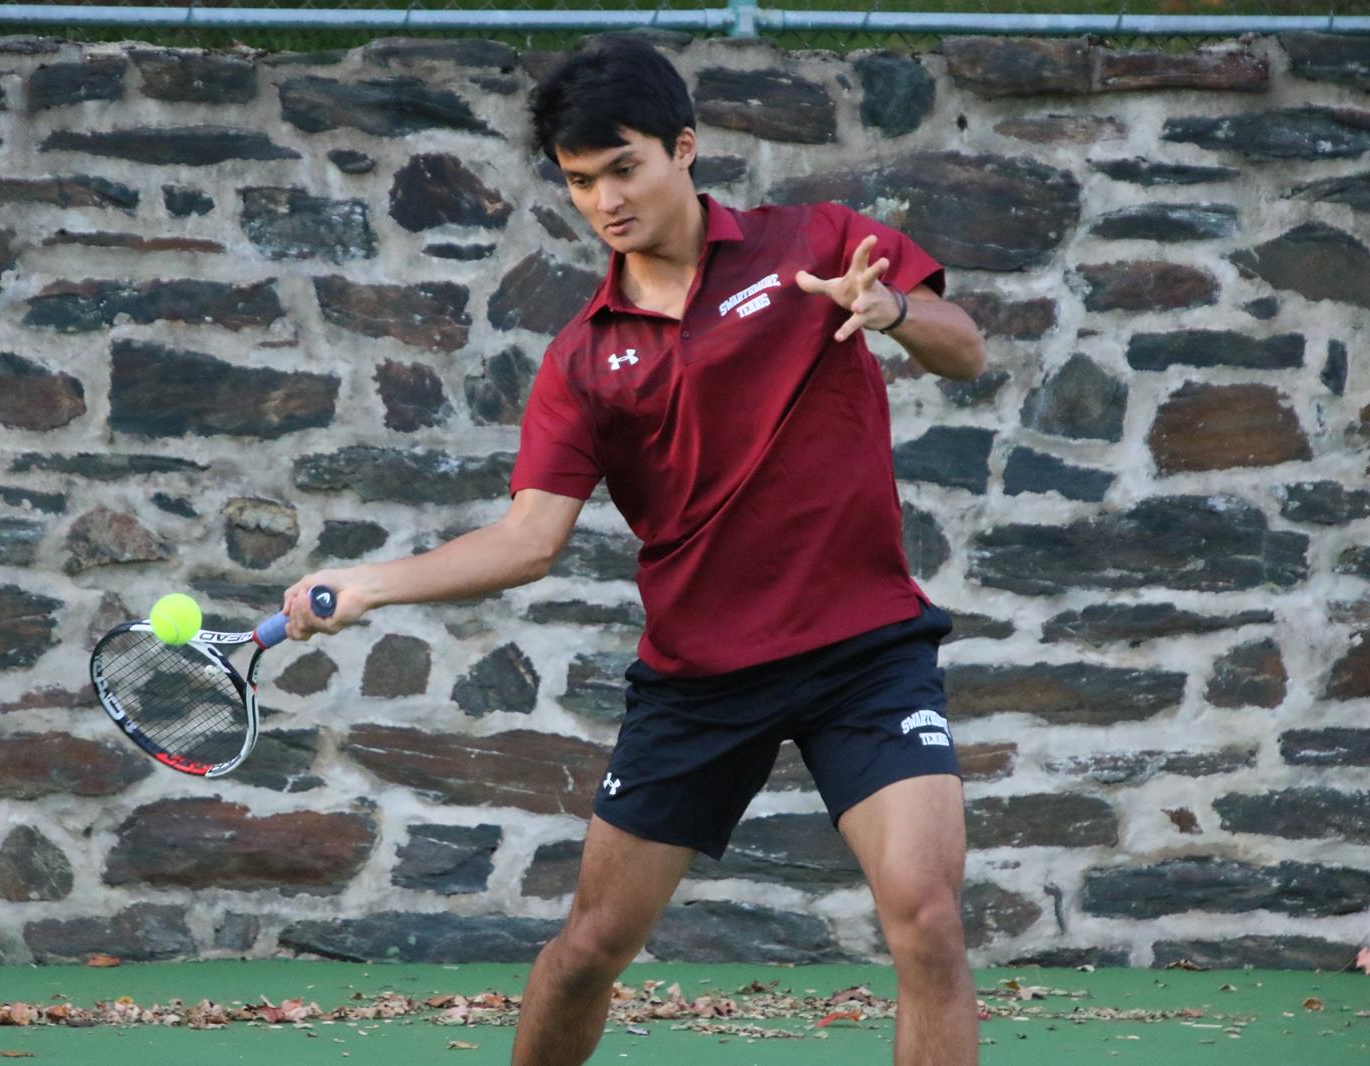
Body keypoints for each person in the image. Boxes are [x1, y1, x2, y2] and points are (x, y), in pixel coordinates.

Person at [283, 34, 987, 1066]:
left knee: (925, 916)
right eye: (580, 181)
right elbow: (529, 539)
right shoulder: (582, 359)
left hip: (864, 654)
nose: (606, 199)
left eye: (625, 167)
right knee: (585, 952)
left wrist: (892, 312)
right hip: (699, 681)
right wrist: (369, 584)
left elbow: (965, 347)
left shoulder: (818, 243)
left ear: (682, 149)